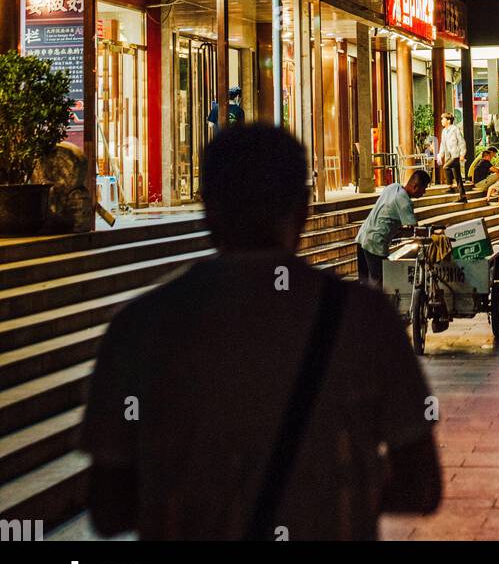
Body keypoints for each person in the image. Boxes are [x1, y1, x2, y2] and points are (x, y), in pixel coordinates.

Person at [81, 124, 441, 541]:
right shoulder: (365, 320)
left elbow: (108, 507)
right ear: (303, 208)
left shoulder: (140, 327)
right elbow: (421, 485)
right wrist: (334, 485)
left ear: (207, 208)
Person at [357, 169, 431, 285]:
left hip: (362, 236)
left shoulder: (393, 187)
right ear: (415, 186)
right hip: (376, 242)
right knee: (381, 282)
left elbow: (389, 214)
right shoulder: (405, 202)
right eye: (424, 188)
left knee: (364, 283)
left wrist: (397, 230)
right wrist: (436, 234)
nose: (424, 192)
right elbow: (416, 230)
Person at [437, 112, 467, 203]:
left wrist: (462, 154)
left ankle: (450, 186)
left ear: (449, 121)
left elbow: (461, 142)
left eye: (443, 119)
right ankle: (463, 197)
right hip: (449, 156)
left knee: (446, 167)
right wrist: (440, 155)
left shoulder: (455, 129)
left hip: (456, 155)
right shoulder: (444, 131)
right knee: (458, 177)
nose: (442, 120)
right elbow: (443, 145)